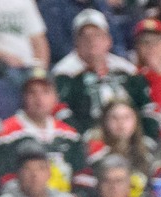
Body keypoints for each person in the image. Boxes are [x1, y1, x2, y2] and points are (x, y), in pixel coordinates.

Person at [52, 8, 143, 138]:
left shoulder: (126, 69)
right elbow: (62, 110)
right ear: (76, 42)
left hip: (129, 133)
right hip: (87, 135)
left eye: (97, 35)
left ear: (108, 40)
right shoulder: (64, 73)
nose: (92, 41)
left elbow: (141, 102)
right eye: (85, 36)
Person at [0, 70, 81, 192]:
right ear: (23, 97)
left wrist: (79, 196)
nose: (39, 99)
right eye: (32, 92)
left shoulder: (70, 134)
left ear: (56, 97)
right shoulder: (5, 135)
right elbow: (3, 179)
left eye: (45, 92)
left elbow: (82, 173)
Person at [76, 96, 155, 196]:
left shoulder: (147, 149)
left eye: (126, 117)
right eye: (114, 118)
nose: (121, 123)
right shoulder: (94, 151)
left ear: (136, 121)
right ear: (105, 121)